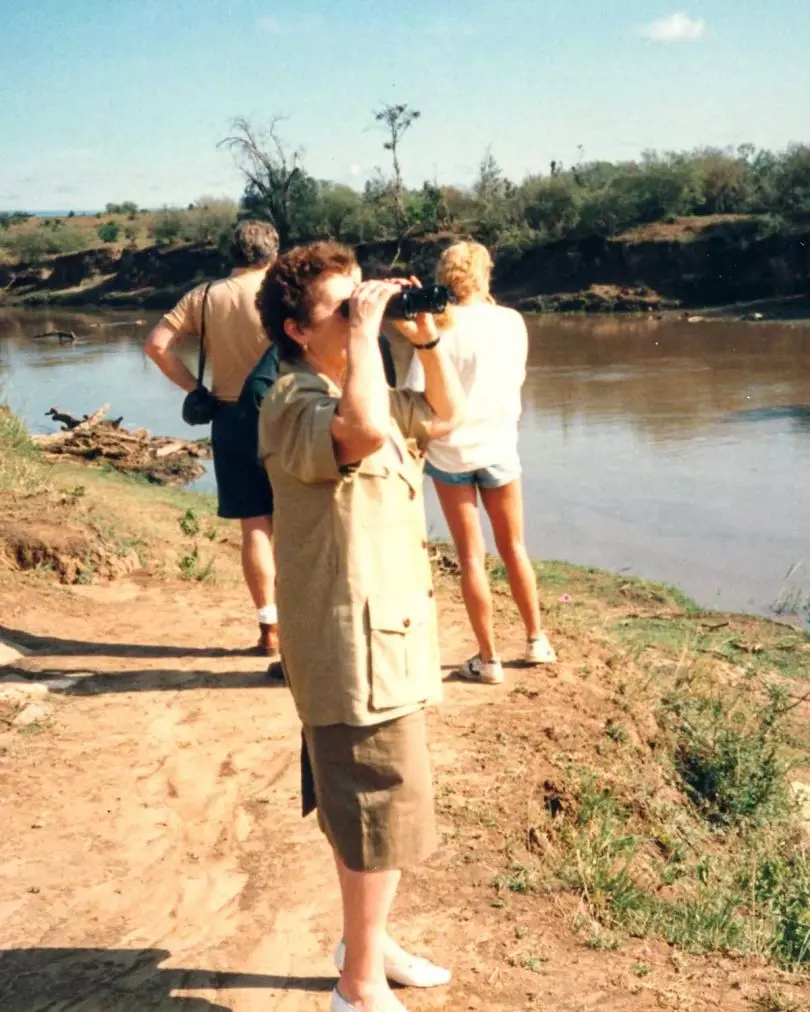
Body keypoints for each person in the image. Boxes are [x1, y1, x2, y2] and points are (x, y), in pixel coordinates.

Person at [256, 241, 465, 1012]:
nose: (358, 320)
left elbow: (444, 414)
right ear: (295, 331)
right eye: (339, 311)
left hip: (393, 638)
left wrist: (425, 341)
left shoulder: (356, 386)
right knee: (374, 809)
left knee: (380, 811)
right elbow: (367, 430)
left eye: (360, 301)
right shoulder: (295, 400)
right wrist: (371, 334)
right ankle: (358, 987)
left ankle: (367, 947)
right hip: (350, 649)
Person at [407, 240, 557, 685]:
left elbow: (420, 394)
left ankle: (488, 660)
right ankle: (536, 640)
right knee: (514, 548)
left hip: (451, 451)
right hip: (500, 447)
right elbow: (518, 377)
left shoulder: (436, 326)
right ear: (484, 274)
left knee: (472, 555)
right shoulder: (511, 321)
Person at [145, 220, 280, 656]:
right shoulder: (283, 291)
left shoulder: (204, 296)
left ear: (232, 254)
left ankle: (270, 628)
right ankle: (304, 625)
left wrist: (194, 390)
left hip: (230, 416)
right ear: (272, 254)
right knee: (300, 522)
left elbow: (157, 346)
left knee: (255, 527)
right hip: (289, 412)